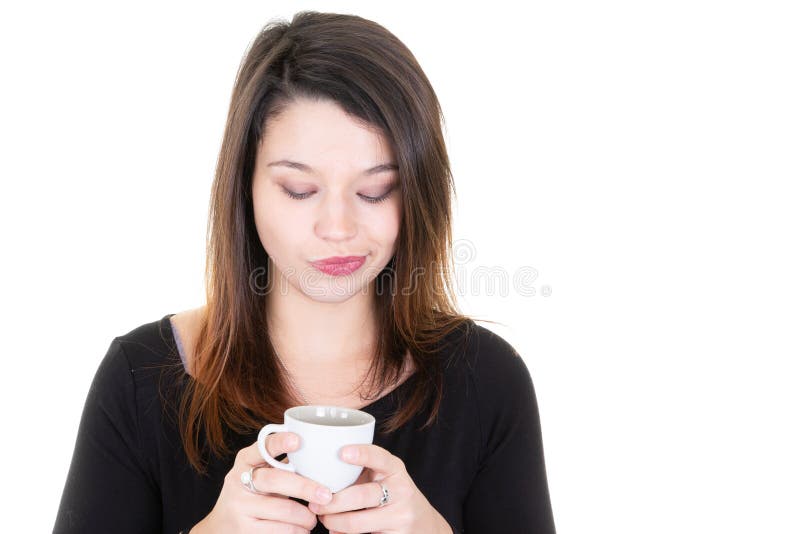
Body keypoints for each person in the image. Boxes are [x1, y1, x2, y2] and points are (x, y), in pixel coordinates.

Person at [53, 10, 556, 534]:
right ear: (245, 187)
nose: (337, 228)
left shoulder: (488, 381)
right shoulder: (140, 378)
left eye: (375, 190)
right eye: (299, 190)